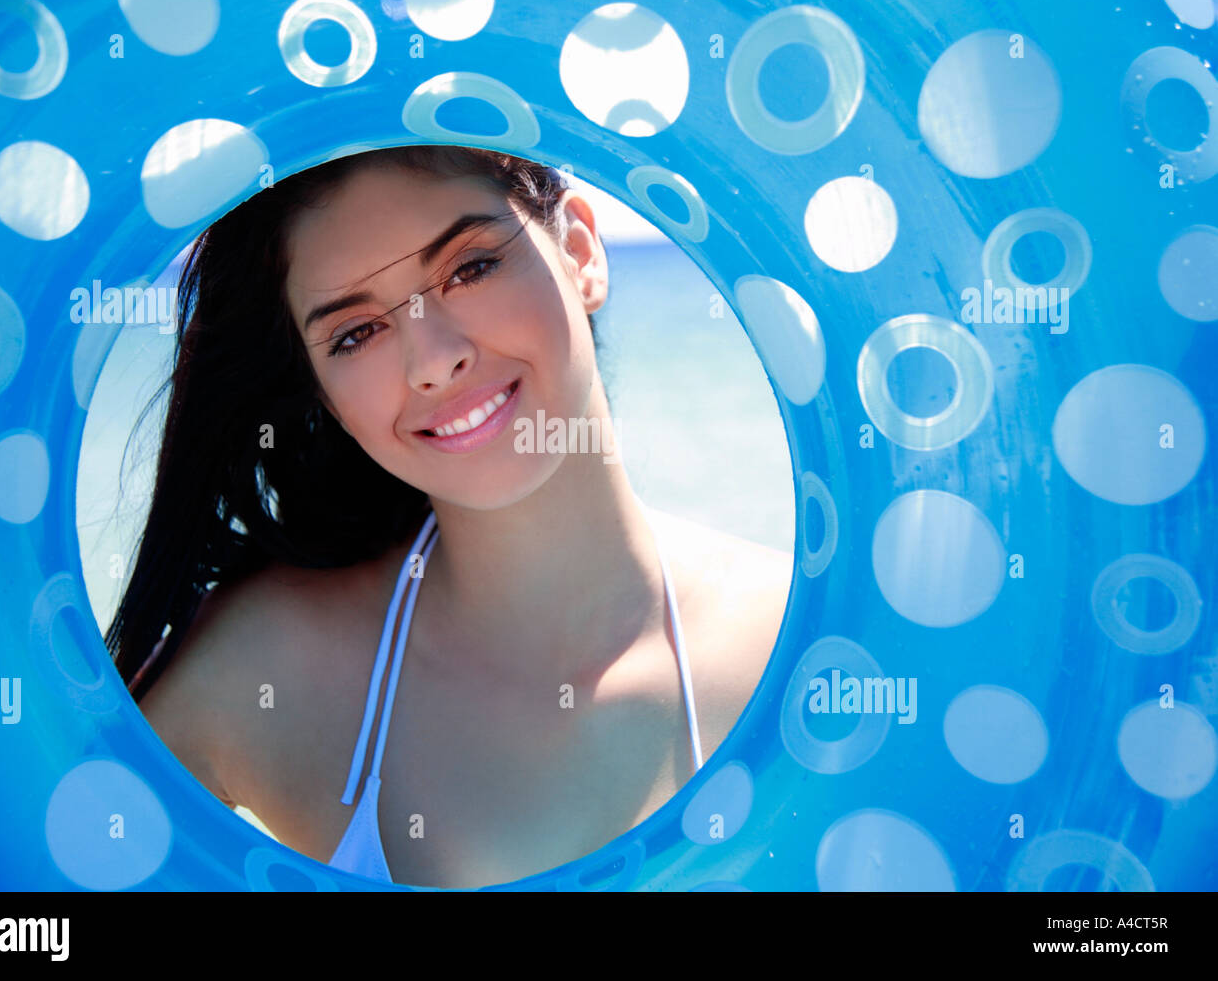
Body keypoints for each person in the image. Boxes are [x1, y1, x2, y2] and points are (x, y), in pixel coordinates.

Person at [106, 144, 789, 889]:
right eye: (355, 333)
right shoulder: (270, 662)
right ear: (323, 394)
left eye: (469, 268)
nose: (432, 359)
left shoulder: (792, 646)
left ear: (581, 252)